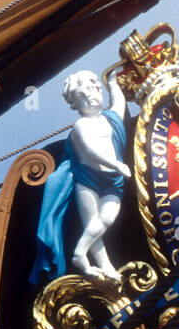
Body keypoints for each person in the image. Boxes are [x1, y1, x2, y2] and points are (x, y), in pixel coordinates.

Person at [30, 69, 130, 284]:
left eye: (96, 84)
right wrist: (116, 164)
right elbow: (90, 149)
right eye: (89, 85)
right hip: (88, 179)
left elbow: (119, 106)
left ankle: (79, 253)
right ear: (77, 100)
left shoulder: (109, 119)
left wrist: (113, 84)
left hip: (113, 181)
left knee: (106, 219)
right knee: (94, 225)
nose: (95, 87)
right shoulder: (81, 125)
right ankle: (106, 267)